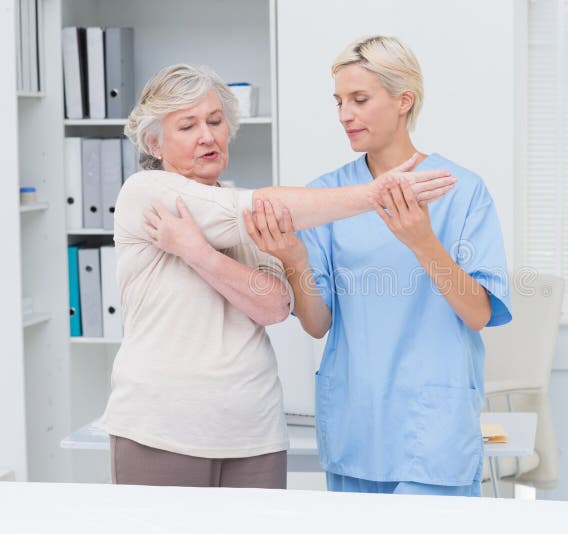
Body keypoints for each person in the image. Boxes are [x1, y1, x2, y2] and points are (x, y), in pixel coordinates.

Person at [99, 64, 455, 488]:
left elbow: (273, 306)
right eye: (188, 126)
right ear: (155, 142)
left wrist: (198, 254)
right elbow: (260, 213)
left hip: (253, 431)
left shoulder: (245, 210)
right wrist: (374, 194)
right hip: (161, 428)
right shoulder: (145, 193)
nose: (207, 136)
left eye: (215, 121)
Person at [246, 36, 511, 497]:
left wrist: (422, 241)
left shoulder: (460, 190)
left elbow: (478, 314)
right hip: (357, 425)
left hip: (434, 433)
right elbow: (317, 323)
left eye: (359, 99)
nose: (344, 114)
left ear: (403, 100)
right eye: (339, 102)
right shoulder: (326, 198)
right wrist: (293, 259)